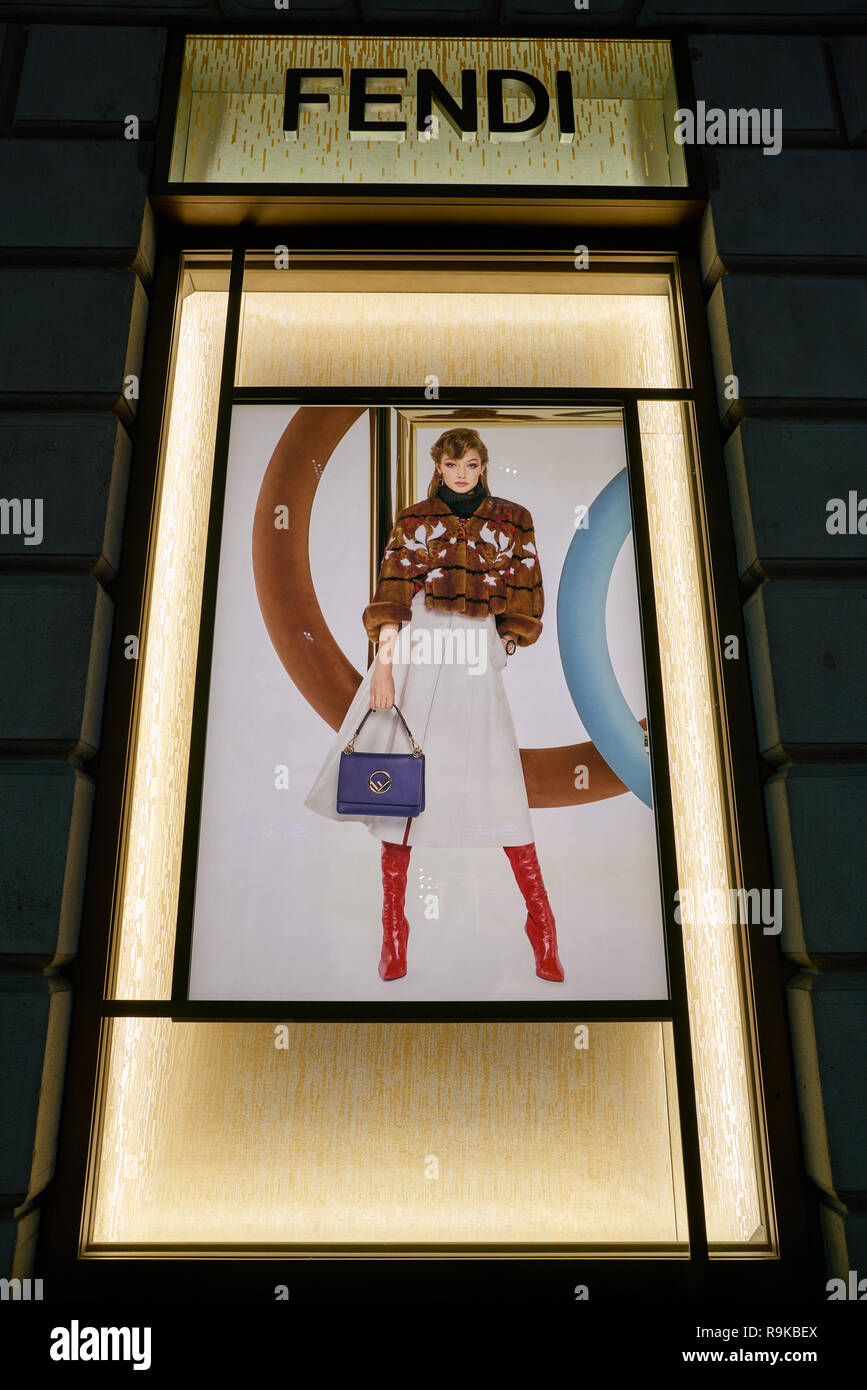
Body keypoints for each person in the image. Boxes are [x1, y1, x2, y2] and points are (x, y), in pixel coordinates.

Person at [304, 427, 564, 983]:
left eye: (471, 463)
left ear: (483, 466)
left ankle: (542, 927)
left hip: (476, 648)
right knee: (402, 786)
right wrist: (384, 666)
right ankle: (394, 932)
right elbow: (393, 595)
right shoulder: (413, 520)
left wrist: (504, 644)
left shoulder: (514, 519)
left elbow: (527, 588)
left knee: (499, 782)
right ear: (439, 468)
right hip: (419, 644)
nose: (463, 474)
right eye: (453, 465)